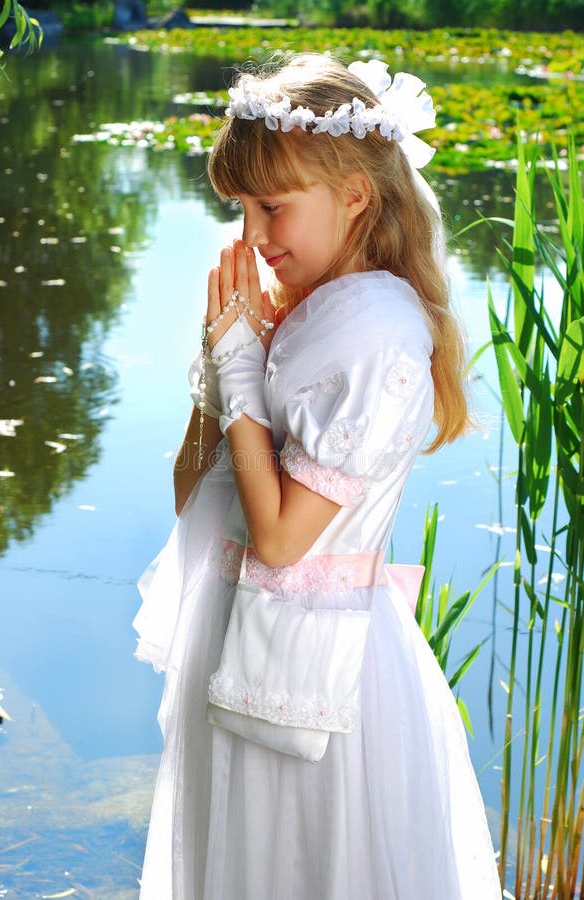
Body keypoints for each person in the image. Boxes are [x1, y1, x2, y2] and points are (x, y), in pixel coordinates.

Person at [134, 53, 502, 899]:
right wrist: (217, 362)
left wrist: (239, 371)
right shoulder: (300, 314)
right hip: (236, 651)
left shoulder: (375, 332)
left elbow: (280, 536)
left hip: (320, 680)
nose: (256, 238)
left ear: (355, 195)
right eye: (242, 211)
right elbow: (192, 493)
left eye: (273, 208)